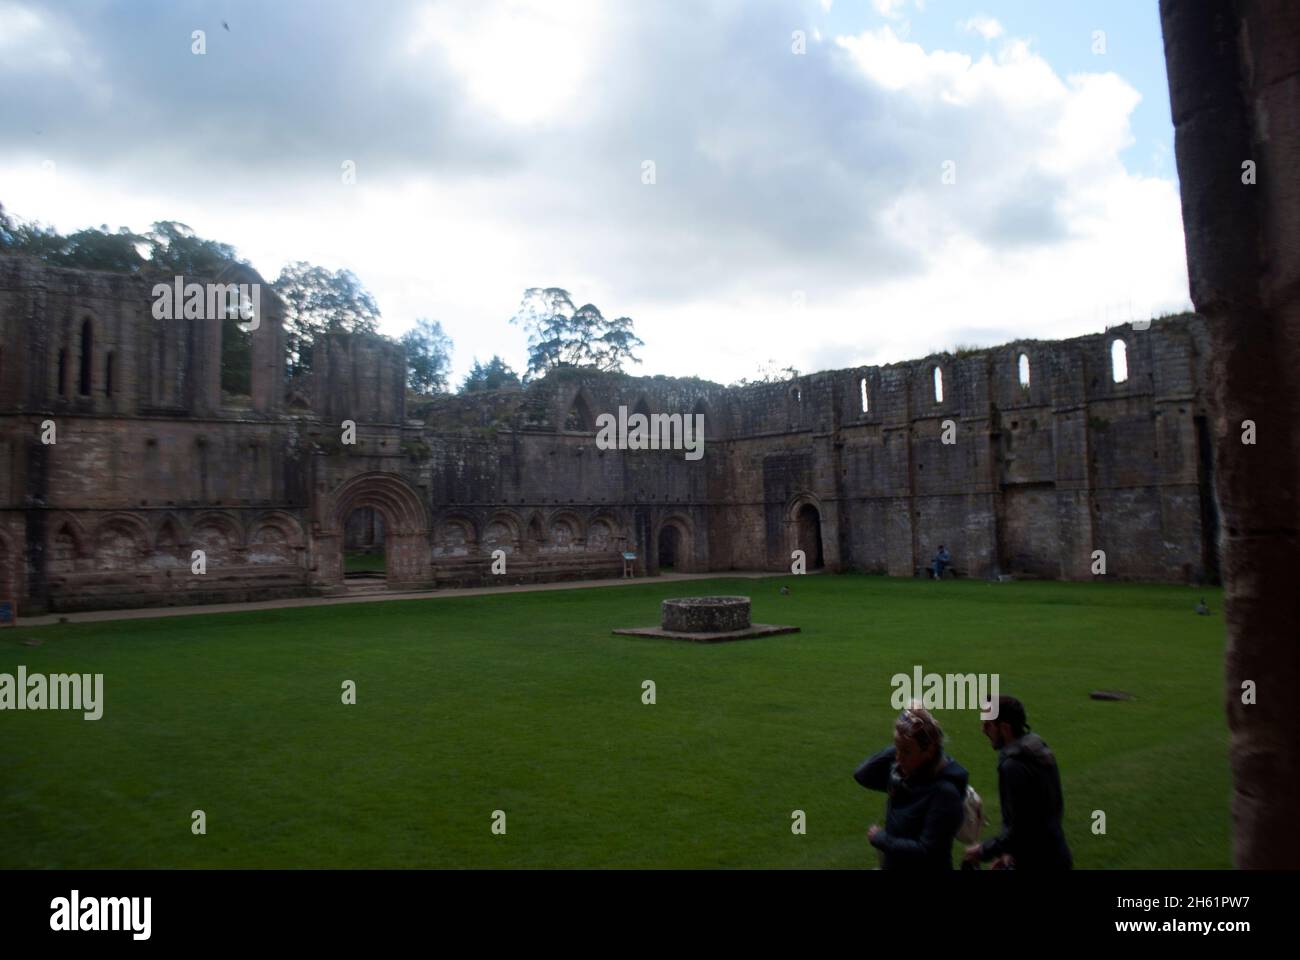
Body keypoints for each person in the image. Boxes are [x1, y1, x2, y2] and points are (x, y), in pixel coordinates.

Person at [854, 704, 969, 870]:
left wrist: (881, 838)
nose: (898, 758)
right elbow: (862, 774)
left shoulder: (944, 793)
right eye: (897, 750)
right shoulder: (904, 774)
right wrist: (903, 739)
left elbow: (926, 852)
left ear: (929, 751)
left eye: (906, 752)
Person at [963, 696, 1073, 870]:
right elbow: (1035, 816)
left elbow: (1019, 831)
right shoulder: (1037, 748)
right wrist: (1008, 854)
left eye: (988, 725)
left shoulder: (1012, 766)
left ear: (1005, 728)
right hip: (1055, 853)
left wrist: (982, 850)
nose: (983, 730)